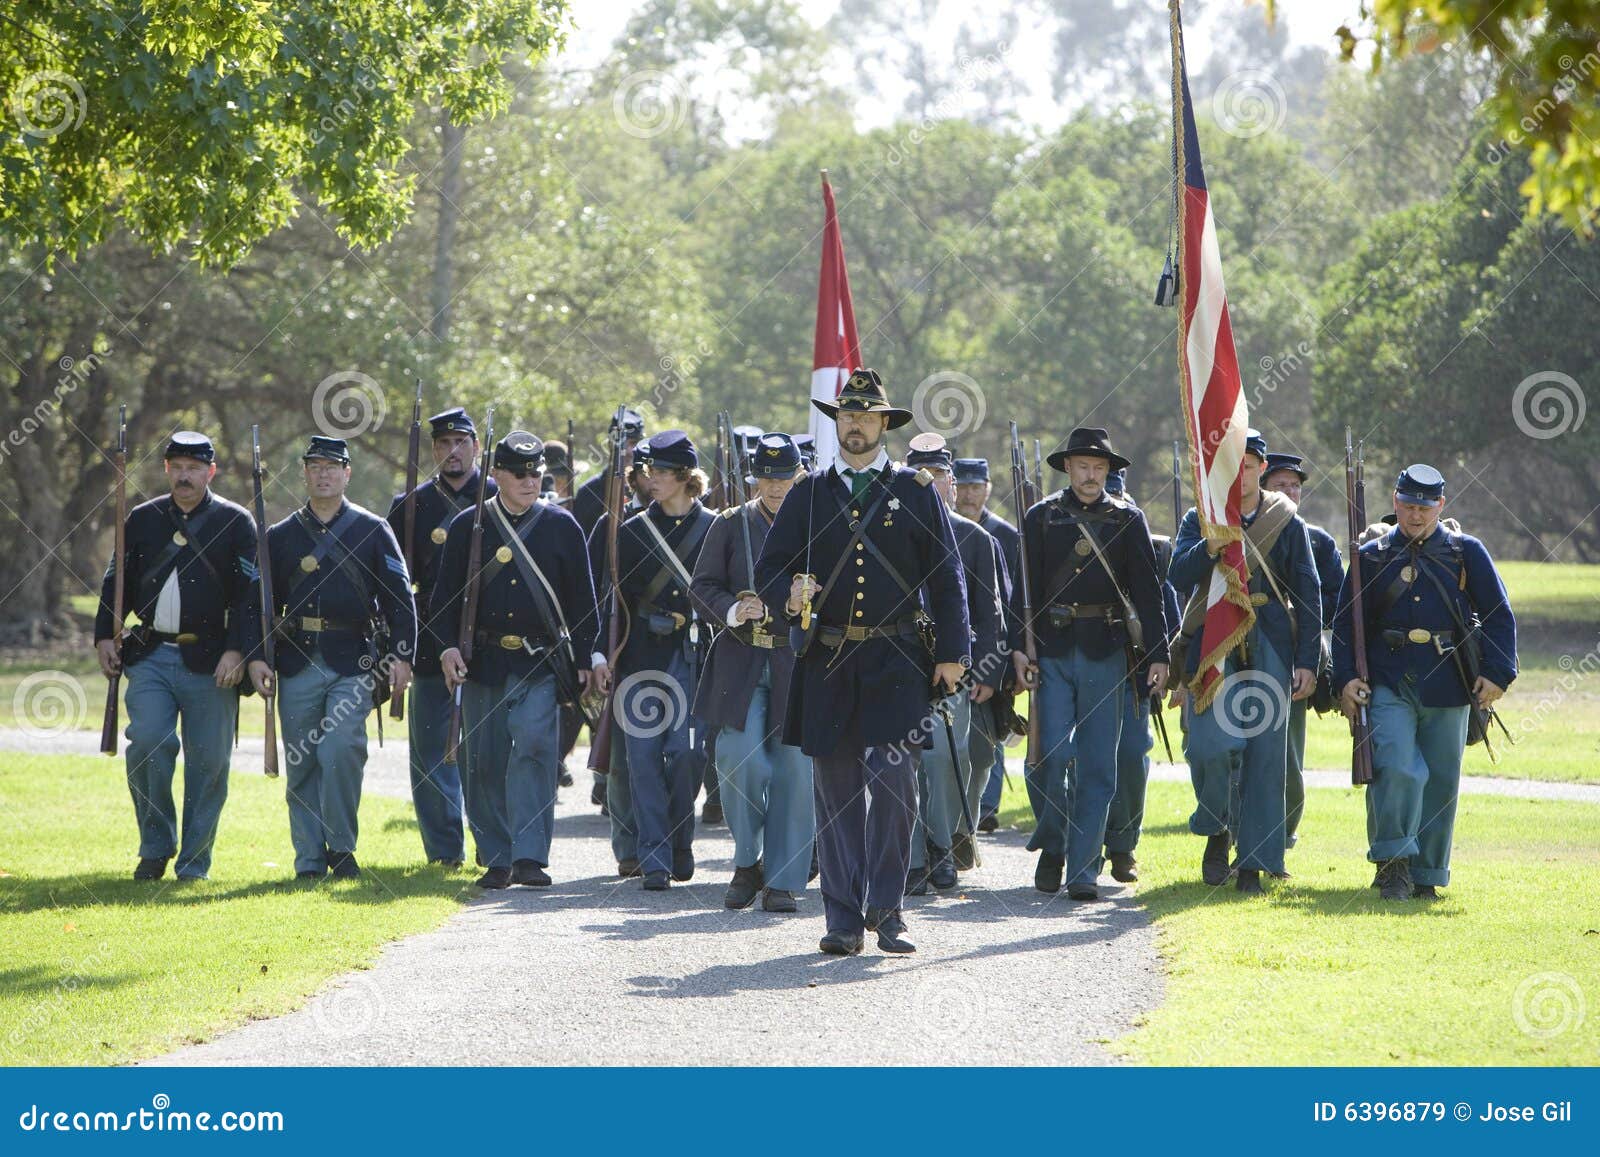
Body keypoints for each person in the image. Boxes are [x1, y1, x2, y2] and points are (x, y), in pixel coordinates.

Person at [756, 369, 970, 956]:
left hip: (898, 657)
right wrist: (786, 594)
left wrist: (953, 654)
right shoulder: (809, 491)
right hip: (828, 658)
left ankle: (890, 909)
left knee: (896, 785)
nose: (855, 424)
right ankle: (844, 918)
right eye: (847, 416)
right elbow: (769, 569)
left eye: (867, 416)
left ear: (883, 424)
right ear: (837, 424)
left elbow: (947, 577)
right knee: (837, 791)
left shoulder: (916, 490)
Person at [1333, 464, 1517, 900]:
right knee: (1396, 767)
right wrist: (1343, 680)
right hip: (1388, 680)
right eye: (1409, 505)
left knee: (1440, 779)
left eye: (1425, 506)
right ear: (1395, 502)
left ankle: (1428, 873)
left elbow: (1498, 614)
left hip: (1449, 681)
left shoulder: (1465, 552)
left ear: (1441, 505)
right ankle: (1394, 861)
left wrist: (1497, 673)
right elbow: (1344, 624)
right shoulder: (1371, 556)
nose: (1416, 515)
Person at [434, 432, 607, 889]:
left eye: (537, 474)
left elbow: (583, 602)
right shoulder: (467, 527)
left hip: (540, 662)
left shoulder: (562, 527)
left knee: (534, 749)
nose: (531, 481)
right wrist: (447, 647)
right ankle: (496, 855)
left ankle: (530, 856)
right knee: (484, 761)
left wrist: (588, 655)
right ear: (496, 475)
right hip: (483, 661)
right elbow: (442, 604)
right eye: (520, 473)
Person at [248, 436, 416, 880]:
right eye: (315, 466)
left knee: (342, 749)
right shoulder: (279, 536)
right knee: (301, 762)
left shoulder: (373, 528)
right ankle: (307, 859)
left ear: (347, 473)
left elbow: (400, 599)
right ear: (304, 473)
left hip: (354, 659)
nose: (323, 474)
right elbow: (258, 605)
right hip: (296, 657)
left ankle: (340, 848)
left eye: (332, 466)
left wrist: (402, 655)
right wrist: (256, 657)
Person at [1012, 428, 1169, 901]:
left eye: (1099, 468)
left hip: (1107, 649)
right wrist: (1021, 647)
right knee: (1048, 758)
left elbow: (1147, 590)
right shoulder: (1041, 518)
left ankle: (1083, 869)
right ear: (1067, 468)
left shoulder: (1128, 519)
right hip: (1054, 650)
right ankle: (1055, 845)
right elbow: (1025, 592)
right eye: (1083, 466)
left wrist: (1158, 653)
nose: (1090, 475)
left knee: (1100, 765)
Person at [95, 431, 258, 881]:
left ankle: (194, 863)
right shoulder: (143, 518)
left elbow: (249, 597)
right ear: (166, 470)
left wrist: (238, 650)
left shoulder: (235, 521)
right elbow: (116, 581)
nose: (185, 476)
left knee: (208, 763)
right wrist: (103, 635)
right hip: (150, 653)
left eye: (194, 468)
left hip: (214, 660)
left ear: (211, 472)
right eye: (177, 467)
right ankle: (155, 845)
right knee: (147, 744)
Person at [1169, 429, 1318, 894]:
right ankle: (1216, 830)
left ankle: (1255, 860)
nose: (1242, 473)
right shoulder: (1202, 518)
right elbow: (1177, 574)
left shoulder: (1285, 519)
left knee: (1267, 754)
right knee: (1211, 746)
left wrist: (1309, 660)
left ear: (1260, 468)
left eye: (1250, 464)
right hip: (1215, 636)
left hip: (1271, 637)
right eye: (1233, 465)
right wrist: (1210, 547)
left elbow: (1309, 594)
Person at [690, 432, 813, 912]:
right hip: (741, 659)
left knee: (795, 771)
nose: (776, 486)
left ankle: (783, 878)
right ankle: (747, 861)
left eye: (784, 477)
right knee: (739, 758)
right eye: (766, 477)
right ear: (754, 478)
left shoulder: (817, 526)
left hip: (797, 659)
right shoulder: (729, 524)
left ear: (800, 476)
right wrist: (735, 610)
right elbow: (701, 586)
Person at [385, 407, 495, 868]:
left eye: (461, 442)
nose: (452, 451)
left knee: (486, 753)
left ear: (475, 446)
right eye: (443, 443)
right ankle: (444, 854)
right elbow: (391, 585)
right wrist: (399, 650)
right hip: (429, 636)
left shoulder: (497, 493)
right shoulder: (409, 505)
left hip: (488, 638)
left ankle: (494, 848)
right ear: (432, 449)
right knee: (431, 754)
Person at [611, 430, 716, 891]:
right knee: (644, 757)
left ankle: (679, 840)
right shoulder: (631, 531)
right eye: (648, 471)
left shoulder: (716, 527)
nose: (650, 479)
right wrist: (602, 655)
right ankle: (654, 857)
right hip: (642, 660)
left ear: (685, 476)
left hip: (696, 658)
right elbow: (613, 603)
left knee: (689, 754)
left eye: (661, 472)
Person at [903, 436, 1005, 895]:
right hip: (899, 662)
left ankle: (942, 845)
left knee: (946, 756)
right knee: (904, 761)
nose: (930, 481)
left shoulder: (974, 538)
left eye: (938, 473)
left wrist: (985, 671)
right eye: (919, 472)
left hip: (954, 668)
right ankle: (912, 857)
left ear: (949, 480)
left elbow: (990, 613)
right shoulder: (889, 531)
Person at [1100, 466, 1181, 884]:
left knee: (1131, 754)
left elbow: (1166, 614)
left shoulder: (1148, 550)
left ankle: (1122, 845)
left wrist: (1164, 665)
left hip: (1132, 674)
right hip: (1081, 665)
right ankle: (1082, 841)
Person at [1260, 451, 1344, 848]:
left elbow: (1334, 602)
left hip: (1294, 653)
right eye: (1281, 486)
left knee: (1288, 755)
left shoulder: (1318, 542)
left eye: (1295, 486)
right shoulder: (1246, 532)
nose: (1290, 492)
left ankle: (1284, 831)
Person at [954, 456, 1020, 834]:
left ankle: (986, 807)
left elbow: (1010, 601)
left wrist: (1006, 658)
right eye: (962, 487)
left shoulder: (1005, 536)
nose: (967, 494)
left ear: (987, 490)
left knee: (989, 730)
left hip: (997, 646)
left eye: (975, 487)